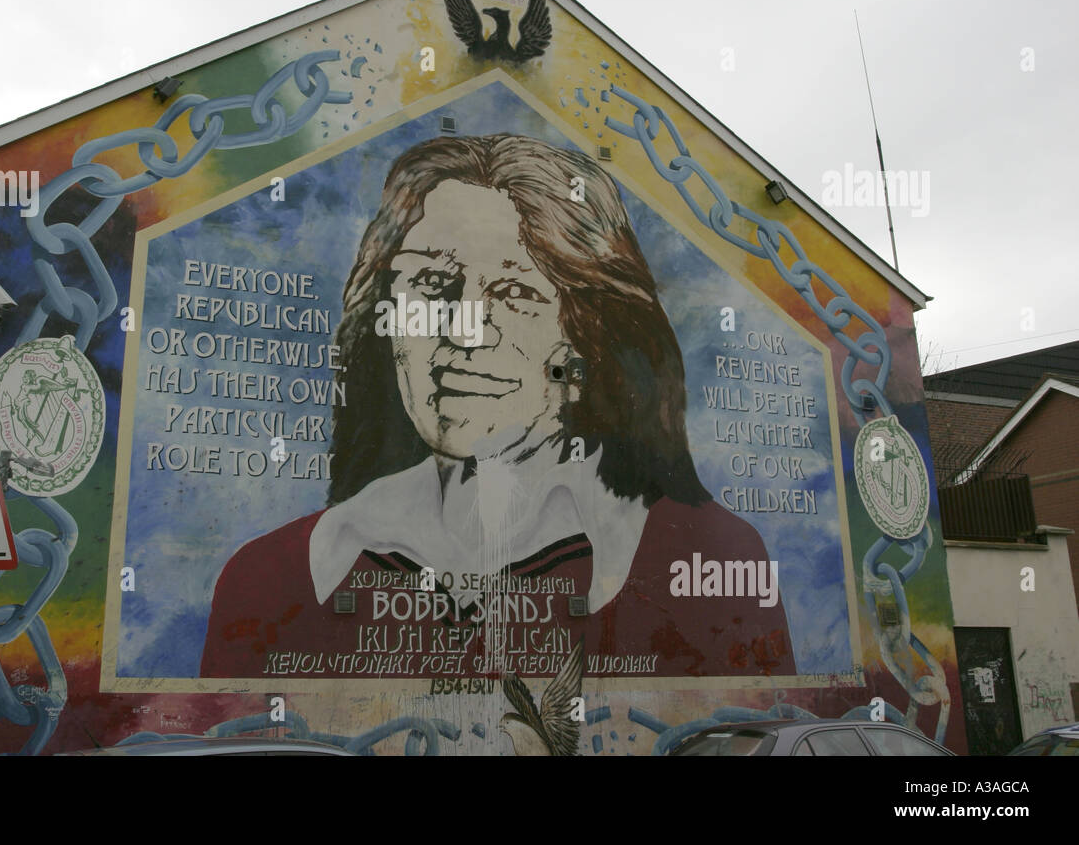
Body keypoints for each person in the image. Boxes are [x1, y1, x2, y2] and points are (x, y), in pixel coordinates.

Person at [200, 134, 794, 679]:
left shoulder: (709, 565)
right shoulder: (269, 582)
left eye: (515, 292)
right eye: (431, 284)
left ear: (586, 338)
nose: (464, 331)